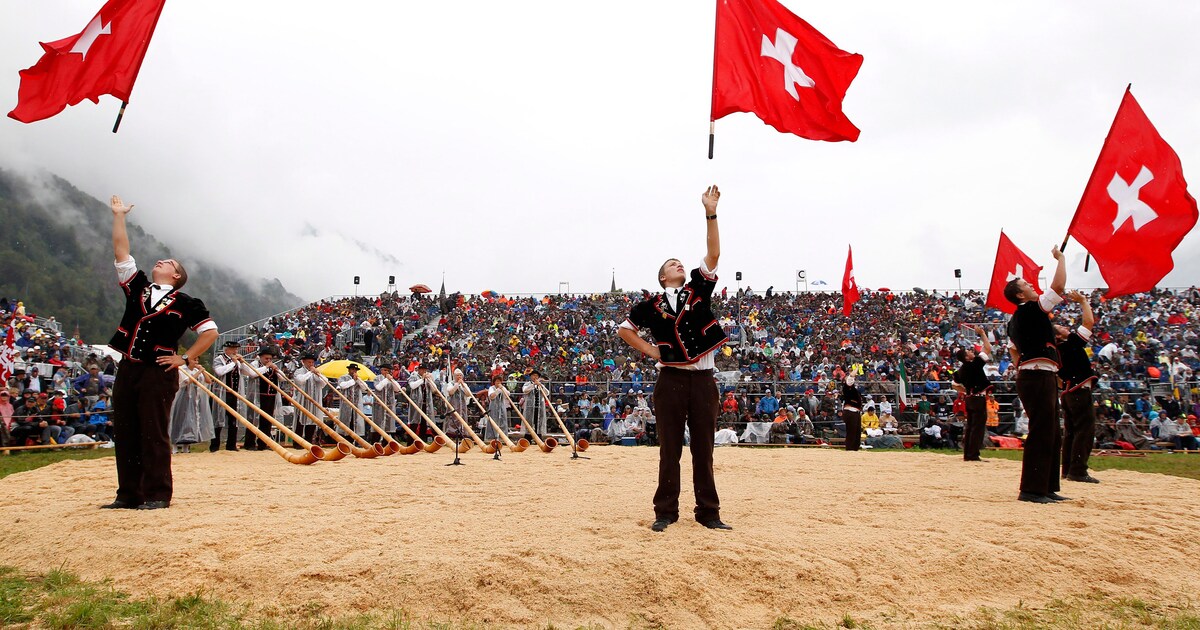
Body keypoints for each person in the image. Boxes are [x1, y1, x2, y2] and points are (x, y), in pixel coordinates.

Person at [617, 185, 731, 532]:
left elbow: (714, 254)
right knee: (669, 449)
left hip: (704, 379)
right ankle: (665, 511)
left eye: (679, 261)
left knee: (704, 449)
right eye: (671, 264)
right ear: (663, 277)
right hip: (670, 379)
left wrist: (710, 213)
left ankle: (708, 512)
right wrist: (652, 351)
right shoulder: (649, 305)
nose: (678, 263)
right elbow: (624, 330)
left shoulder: (698, 287)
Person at [105, 194, 218, 510]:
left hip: (159, 371)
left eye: (168, 262)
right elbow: (121, 252)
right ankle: (128, 494)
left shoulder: (187, 303)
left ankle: (157, 494)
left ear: (177, 275)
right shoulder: (138, 287)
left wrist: (185, 358)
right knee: (126, 430)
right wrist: (119, 216)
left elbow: (210, 332)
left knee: (153, 432)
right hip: (128, 367)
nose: (160, 261)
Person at [1004, 246, 1068, 505]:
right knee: (1042, 430)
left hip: (1038, 373)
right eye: (1027, 284)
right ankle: (1032, 489)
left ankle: (1046, 486)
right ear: (1020, 294)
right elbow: (1058, 287)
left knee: (1051, 431)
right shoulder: (1030, 309)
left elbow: (1013, 350)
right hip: (1037, 374)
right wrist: (1061, 259)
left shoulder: (1016, 319)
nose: (1032, 285)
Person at [1056, 291, 1100, 483]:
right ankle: (1078, 470)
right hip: (1078, 390)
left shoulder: (1056, 350)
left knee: (1071, 432)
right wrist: (1083, 301)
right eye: (1062, 328)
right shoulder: (1070, 344)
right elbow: (1089, 322)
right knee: (1084, 430)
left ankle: (1068, 469)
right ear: (1059, 336)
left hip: (1068, 391)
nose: (1066, 328)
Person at [952, 326, 994, 462]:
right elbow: (987, 348)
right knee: (978, 428)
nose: (971, 352)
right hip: (978, 399)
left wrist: (966, 391)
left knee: (970, 427)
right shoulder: (975, 364)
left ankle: (968, 453)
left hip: (969, 399)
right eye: (969, 352)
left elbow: (954, 385)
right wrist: (982, 334)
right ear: (966, 357)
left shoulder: (960, 370)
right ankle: (974, 454)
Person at [240, 347, 284, 450]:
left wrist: (277, 370)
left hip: (270, 396)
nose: (268, 361)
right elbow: (253, 374)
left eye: (270, 359)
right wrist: (266, 367)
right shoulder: (255, 364)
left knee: (267, 420)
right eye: (266, 358)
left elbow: (282, 378)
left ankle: (263, 444)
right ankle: (249, 443)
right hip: (257, 396)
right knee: (253, 419)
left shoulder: (273, 366)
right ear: (260, 357)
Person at [168, 365, 214, 454]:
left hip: (194, 399)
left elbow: (208, 381)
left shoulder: (196, 370)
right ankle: (175, 447)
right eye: (194, 360)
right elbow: (187, 381)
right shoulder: (182, 369)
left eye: (197, 360)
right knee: (178, 421)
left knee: (190, 423)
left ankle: (186, 447)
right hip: (182, 398)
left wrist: (203, 371)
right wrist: (199, 372)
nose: (196, 362)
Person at [210, 341, 245, 452]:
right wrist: (233, 363)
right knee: (218, 418)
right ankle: (214, 446)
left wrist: (242, 363)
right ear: (226, 349)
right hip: (221, 393)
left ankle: (231, 445)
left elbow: (248, 373)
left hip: (234, 394)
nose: (235, 351)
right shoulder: (219, 359)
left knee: (233, 419)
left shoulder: (237, 362)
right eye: (233, 349)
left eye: (236, 349)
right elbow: (220, 372)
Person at [292, 352, 330, 444]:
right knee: (300, 422)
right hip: (302, 401)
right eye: (309, 362)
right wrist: (310, 372)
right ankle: (297, 443)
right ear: (303, 362)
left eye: (312, 362)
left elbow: (325, 382)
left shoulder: (315, 373)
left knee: (312, 422)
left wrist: (318, 374)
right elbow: (300, 380)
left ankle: (308, 442)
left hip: (314, 402)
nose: (311, 364)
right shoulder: (299, 371)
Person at [521, 370, 550, 436]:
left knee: (539, 422)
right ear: (530, 376)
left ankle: (539, 436)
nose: (535, 377)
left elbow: (547, 393)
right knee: (529, 422)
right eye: (533, 375)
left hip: (539, 407)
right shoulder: (527, 384)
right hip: (530, 407)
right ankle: (528, 436)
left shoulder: (541, 385)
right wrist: (533, 384)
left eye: (537, 376)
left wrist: (541, 386)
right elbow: (525, 390)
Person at [483, 374, 510, 441]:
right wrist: (498, 390)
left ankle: (502, 437)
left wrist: (502, 389)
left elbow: (507, 395)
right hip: (493, 407)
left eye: (499, 381)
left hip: (502, 407)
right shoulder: (491, 388)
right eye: (497, 381)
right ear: (494, 382)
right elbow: (492, 396)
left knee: (503, 421)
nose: (498, 382)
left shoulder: (503, 388)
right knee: (493, 421)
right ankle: (492, 437)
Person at [841, 375, 864, 451]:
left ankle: (855, 448)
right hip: (850, 411)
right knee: (851, 431)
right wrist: (855, 371)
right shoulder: (846, 388)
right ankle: (850, 448)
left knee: (857, 431)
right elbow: (850, 379)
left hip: (856, 411)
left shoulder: (854, 390)